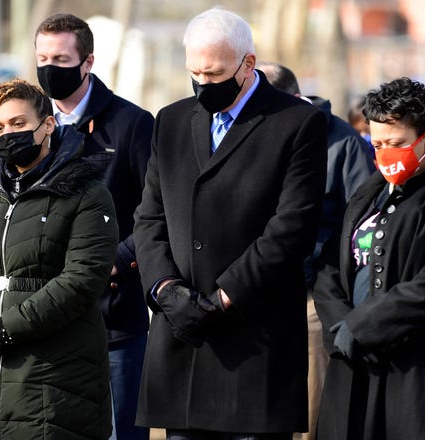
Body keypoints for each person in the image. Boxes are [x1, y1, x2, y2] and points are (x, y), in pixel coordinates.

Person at [133, 8, 328, 439]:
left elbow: (290, 228)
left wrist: (223, 298)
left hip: (253, 338)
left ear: (247, 64)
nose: (203, 83)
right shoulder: (171, 120)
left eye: (214, 73)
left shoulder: (296, 123)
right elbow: (150, 216)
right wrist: (165, 290)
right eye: (194, 72)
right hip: (181, 334)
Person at [312, 77, 425, 440]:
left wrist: (362, 327)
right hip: (353, 362)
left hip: (419, 369)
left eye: (396, 143)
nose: (384, 153)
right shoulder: (367, 194)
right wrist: (340, 327)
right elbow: (330, 265)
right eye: (377, 143)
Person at [0, 78, 119, 439]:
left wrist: (11, 328)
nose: (9, 134)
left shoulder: (87, 195)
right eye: (0, 127)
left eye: (19, 124)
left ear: (48, 125)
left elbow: (83, 278)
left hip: (54, 377)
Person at [34, 13, 154, 440]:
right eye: (43, 57)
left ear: (87, 63)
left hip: (113, 321)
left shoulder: (132, 124)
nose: (50, 68)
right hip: (41, 319)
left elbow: (155, 212)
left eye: (61, 58)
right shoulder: (27, 123)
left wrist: (116, 262)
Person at [256, 61, 375, 440]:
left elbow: (362, 227)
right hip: (255, 292)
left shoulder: (343, 144)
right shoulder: (253, 134)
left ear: (291, 99)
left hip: (311, 298)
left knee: (308, 413)